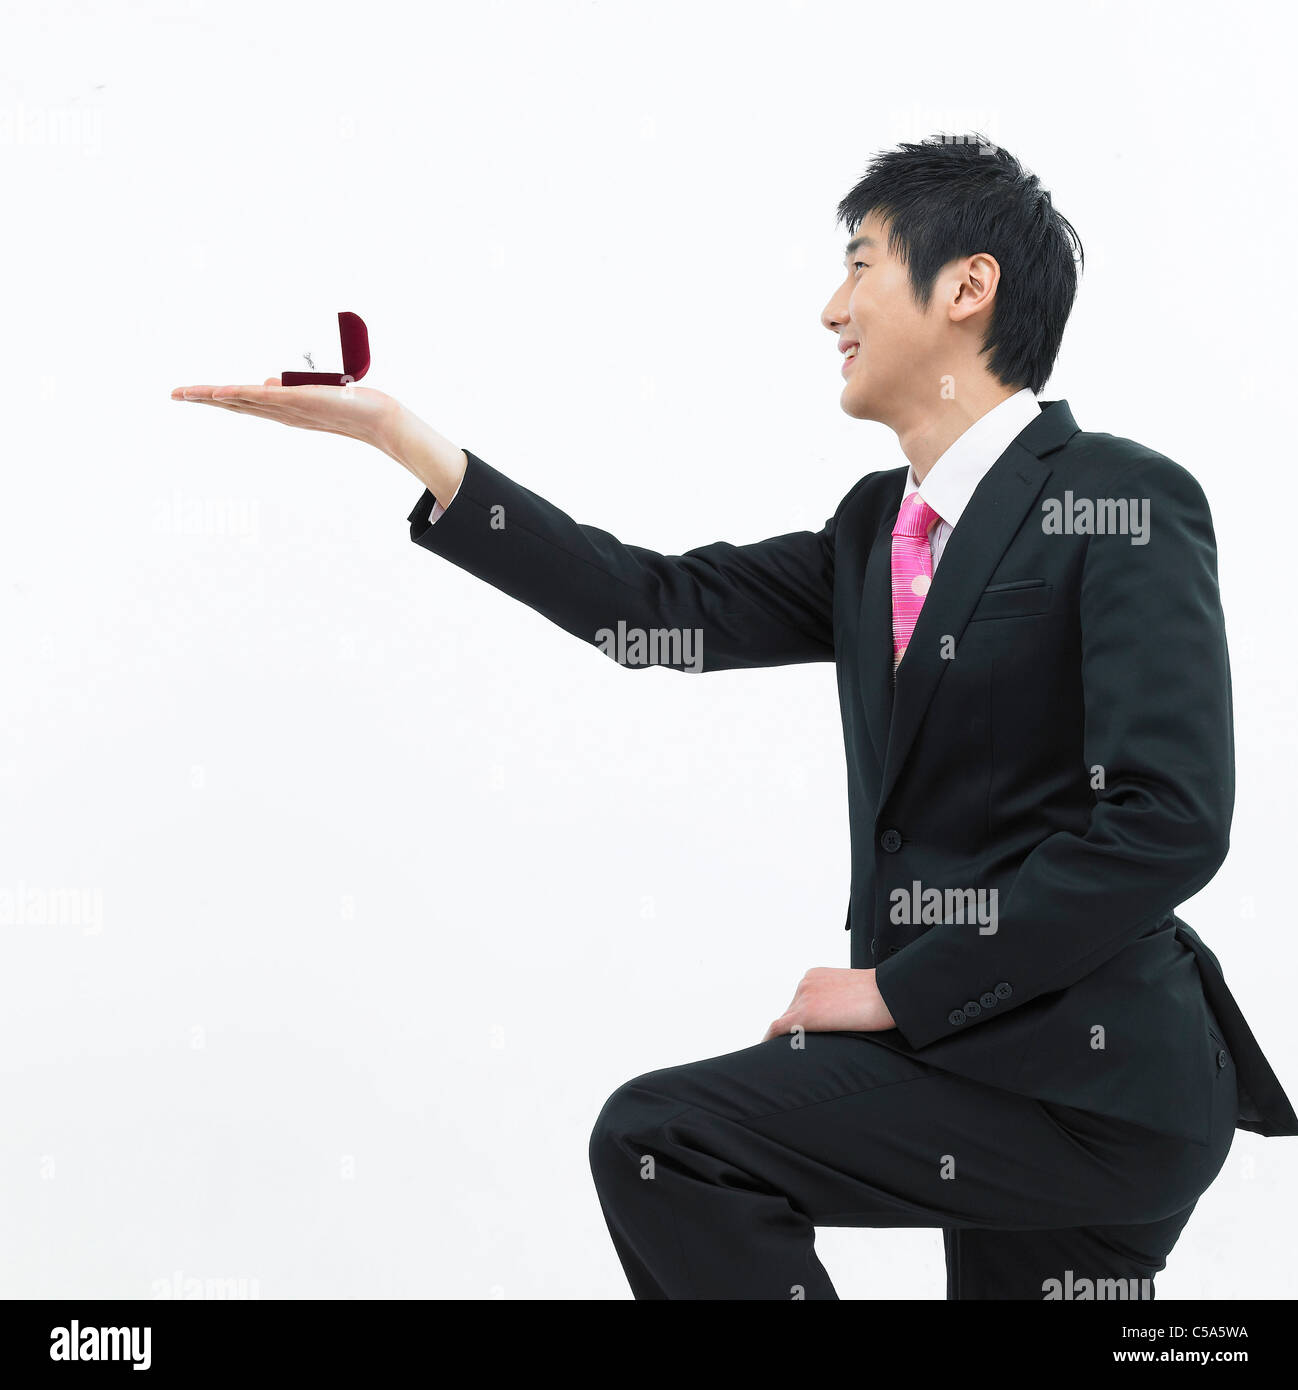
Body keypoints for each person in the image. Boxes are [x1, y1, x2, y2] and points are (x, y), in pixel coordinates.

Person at [172, 135, 1296, 1300]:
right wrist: (403, 439)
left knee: (665, 1141)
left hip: (1096, 1080)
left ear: (966, 287)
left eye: (858, 263)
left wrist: (896, 988)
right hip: (982, 1071)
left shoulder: (1115, 496)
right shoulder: (873, 534)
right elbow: (646, 610)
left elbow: (1163, 823)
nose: (830, 309)